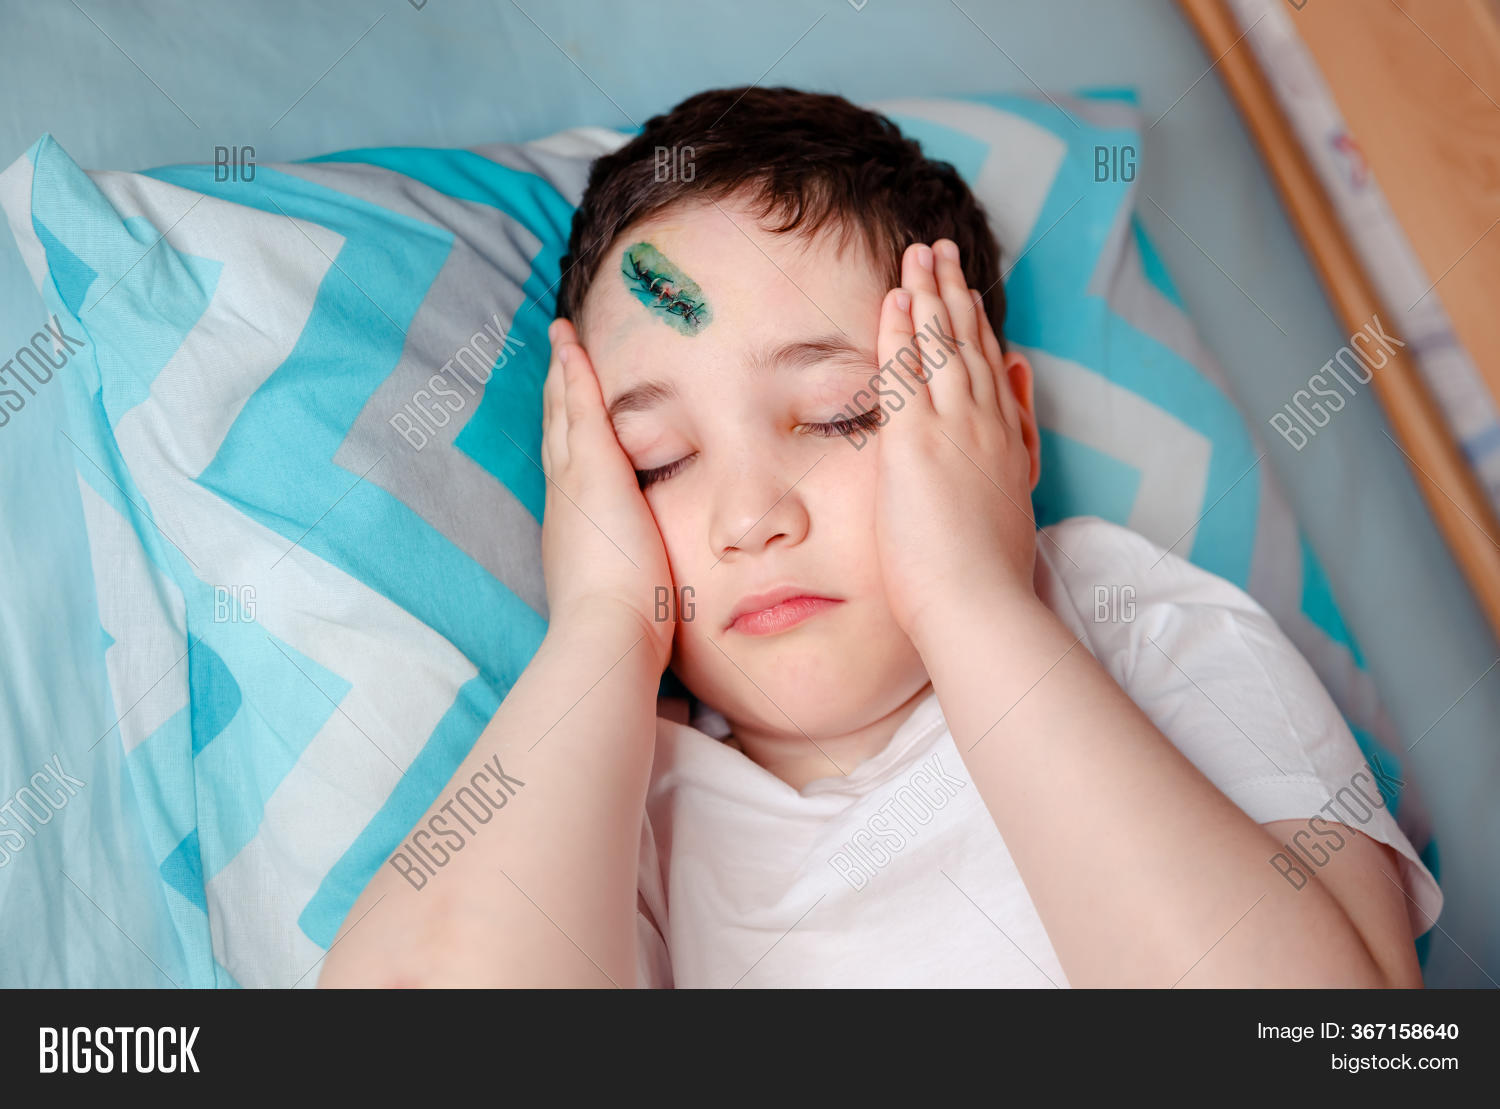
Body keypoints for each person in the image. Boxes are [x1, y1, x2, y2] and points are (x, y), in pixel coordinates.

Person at [319, 86, 1440, 988]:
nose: (753, 517)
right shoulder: (627, 796)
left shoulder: (1141, 629)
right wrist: (601, 633)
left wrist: (972, 600)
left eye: (841, 413)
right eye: (658, 459)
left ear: (1001, 421)